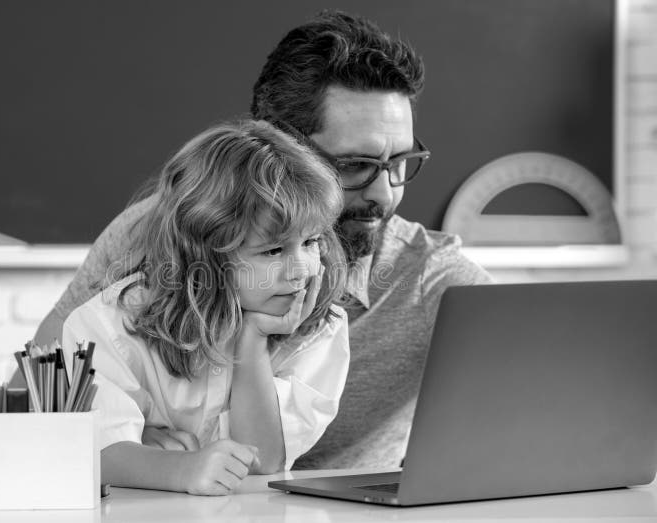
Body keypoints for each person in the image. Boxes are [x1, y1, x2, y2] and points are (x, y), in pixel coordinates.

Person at [38, 10, 493, 470]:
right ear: (281, 152)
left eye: (400, 162)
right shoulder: (160, 233)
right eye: (356, 165)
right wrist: (128, 445)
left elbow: (534, 355)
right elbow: (45, 390)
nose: (385, 193)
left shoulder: (428, 276)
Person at [61, 119, 350, 495]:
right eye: (273, 250)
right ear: (204, 252)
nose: (301, 270)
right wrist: (180, 470)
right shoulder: (110, 324)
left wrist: (253, 340)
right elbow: (96, 452)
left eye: (311, 242)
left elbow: (264, 460)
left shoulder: (318, 327)